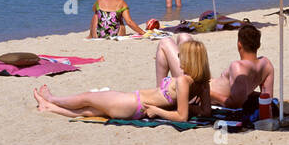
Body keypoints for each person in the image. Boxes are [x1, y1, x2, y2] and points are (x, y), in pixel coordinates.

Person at [35, 38, 212, 123]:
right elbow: (206, 112)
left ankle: (52, 99)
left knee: (87, 98)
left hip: (133, 103)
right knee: (90, 111)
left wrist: (157, 110)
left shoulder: (182, 81)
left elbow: (182, 117)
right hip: (135, 108)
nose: (179, 59)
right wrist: (192, 107)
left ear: (190, 59)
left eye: (181, 56)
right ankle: (50, 107)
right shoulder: (203, 82)